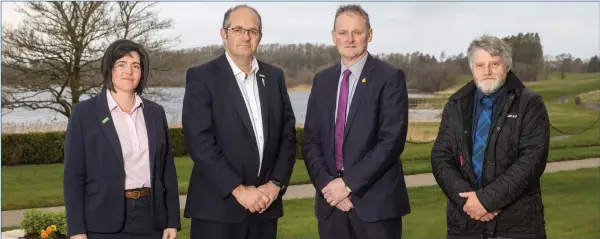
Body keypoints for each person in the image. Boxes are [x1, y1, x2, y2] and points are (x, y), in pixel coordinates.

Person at [181, 4, 297, 239]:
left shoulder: (274, 77)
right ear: (224, 34)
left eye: (252, 31)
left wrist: (275, 185)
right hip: (217, 211)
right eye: (238, 29)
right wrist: (239, 190)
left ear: (260, 37)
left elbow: (287, 136)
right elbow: (199, 142)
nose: (246, 36)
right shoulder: (202, 77)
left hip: (265, 207)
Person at [301, 4, 411, 239]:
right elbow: (310, 140)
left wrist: (347, 185)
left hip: (375, 206)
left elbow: (391, 141)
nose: (349, 39)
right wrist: (328, 187)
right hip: (331, 205)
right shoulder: (322, 81)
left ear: (369, 35)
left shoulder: (389, 78)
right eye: (343, 33)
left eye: (357, 32)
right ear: (334, 37)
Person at [431, 35, 550, 239]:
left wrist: (487, 201)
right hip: (465, 225)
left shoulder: (530, 104)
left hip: (515, 226)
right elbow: (441, 157)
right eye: (480, 65)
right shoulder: (456, 104)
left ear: (507, 65)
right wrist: (468, 202)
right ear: (472, 68)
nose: (486, 71)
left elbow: (531, 162)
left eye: (494, 64)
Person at [63, 39, 181, 239]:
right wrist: (76, 230)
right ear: (109, 69)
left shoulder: (155, 113)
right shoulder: (84, 113)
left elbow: (167, 170)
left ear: (142, 73)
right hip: (103, 221)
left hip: (151, 218)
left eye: (135, 66)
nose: (129, 71)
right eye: (121, 65)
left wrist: (171, 220)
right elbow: (74, 177)